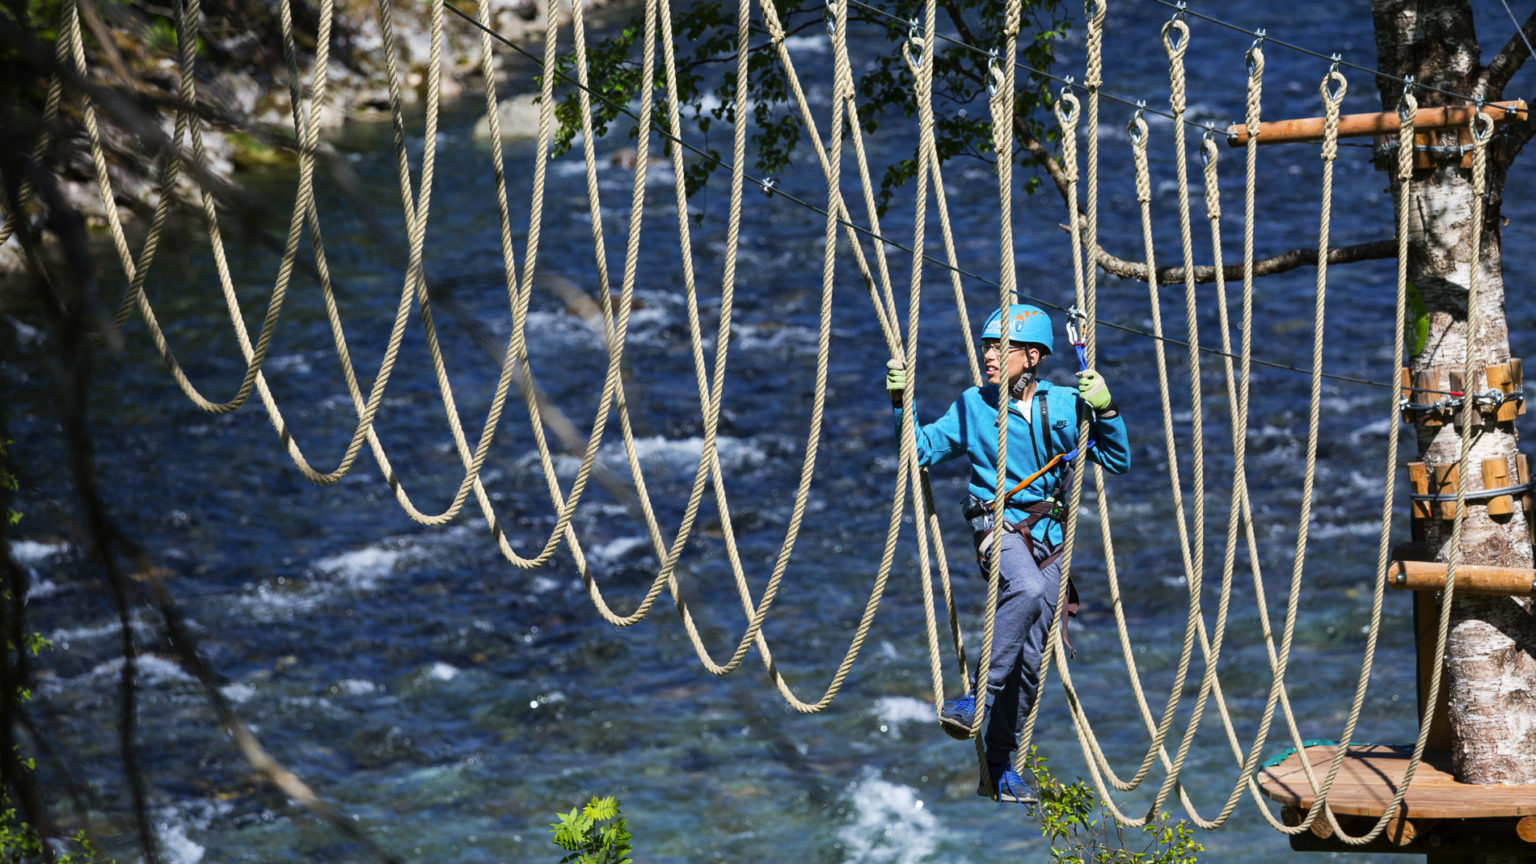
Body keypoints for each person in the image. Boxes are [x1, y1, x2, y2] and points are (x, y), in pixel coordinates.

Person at [885, 303, 1130, 804]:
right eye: (988, 346)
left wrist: (1106, 409)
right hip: (997, 525)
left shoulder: (1064, 405)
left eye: (1003, 347)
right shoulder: (975, 406)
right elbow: (919, 450)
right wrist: (899, 401)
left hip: (1048, 536)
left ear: (1034, 357)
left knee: (1032, 661)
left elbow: (1117, 459)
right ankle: (979, 698)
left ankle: (999, 768)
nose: (990, 355)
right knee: (1027, 586)